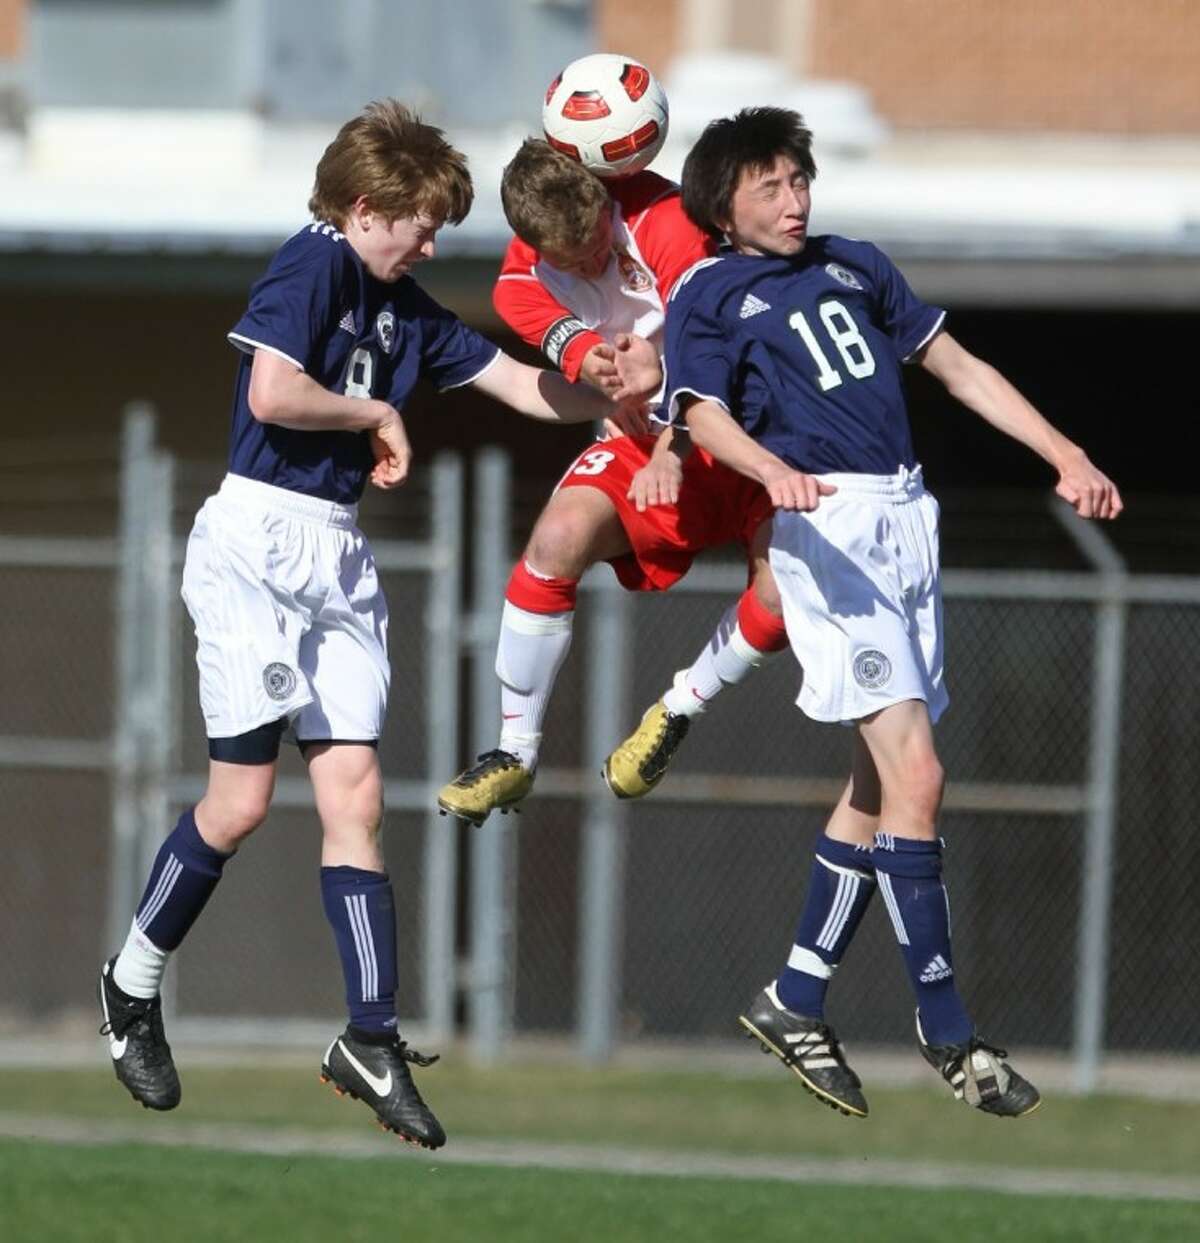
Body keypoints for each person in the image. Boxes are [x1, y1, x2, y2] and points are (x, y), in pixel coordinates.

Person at [96, 100, 637, 1150]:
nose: (432, 243)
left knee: (358, 795)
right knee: (241, 803)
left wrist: (602, 388)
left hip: (336, 554)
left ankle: (369, 1037)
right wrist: (376, 412)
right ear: (363, 208)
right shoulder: (311, 267)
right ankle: (131, 985)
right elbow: (276, 388)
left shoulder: (404, 301)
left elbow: (517, 384)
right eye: (422, 224)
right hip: (256, 544)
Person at [641, 107, 1122, 1119]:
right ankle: (949, 1033)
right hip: (829, 528)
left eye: (799, 178)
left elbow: (958, 367)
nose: (794, 198)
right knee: (920, 773)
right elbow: (701, 410)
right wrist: (768, 466)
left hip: (906, 519)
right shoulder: (709, 290)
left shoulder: (855, 262)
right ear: (722, 203)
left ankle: (795, 998)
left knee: (876, 785)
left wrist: (1067, 453)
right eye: (769, 184)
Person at [435, 139, 790, 827]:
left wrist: (664, 397)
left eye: (599, 243)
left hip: (746, 432)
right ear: (537, 250)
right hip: (640, 446)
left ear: (605, 198)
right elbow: (542, 321)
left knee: (782, 594)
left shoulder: (665, 218)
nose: (595, 262)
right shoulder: (522, 283)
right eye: (573, 262)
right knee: (557, 536)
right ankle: (514, 751)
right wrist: (590, 362)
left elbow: (717, 332)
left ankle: (680, 706)